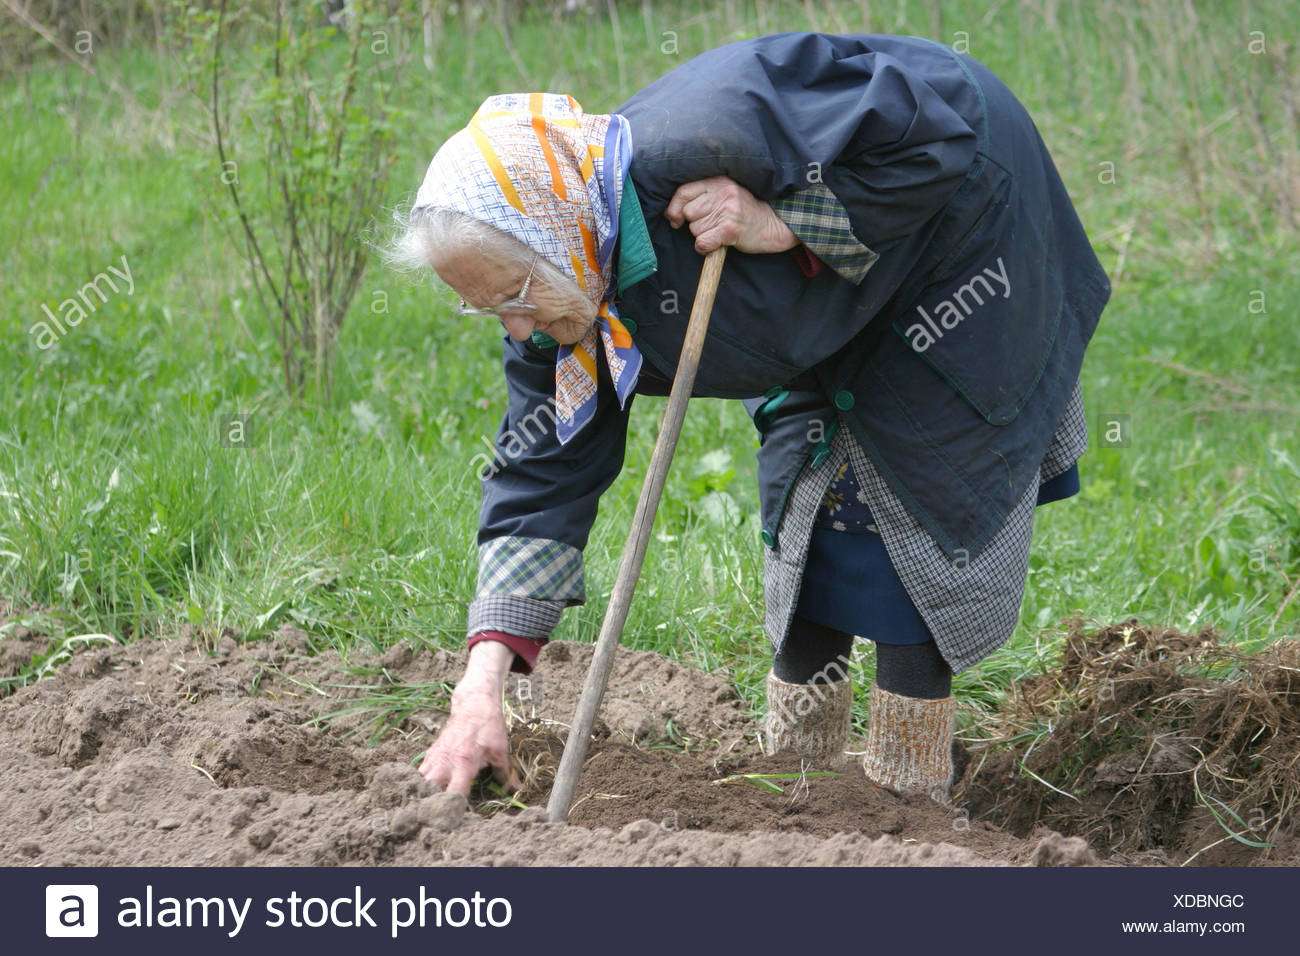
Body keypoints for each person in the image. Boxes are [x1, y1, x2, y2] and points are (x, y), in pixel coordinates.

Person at [389, 33, 1109, 804]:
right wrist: (480, 689)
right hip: (811, 313)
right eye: (487, 308)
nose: (518, 330)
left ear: (560, 237)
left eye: (515, 296)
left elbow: (943, 126)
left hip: (956, 244)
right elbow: (539, 476)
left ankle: (907, 808)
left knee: (916, 502)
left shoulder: (719, 129)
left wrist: (787, 223)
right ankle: (798, 797)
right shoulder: (551, 301)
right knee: (809, 509)